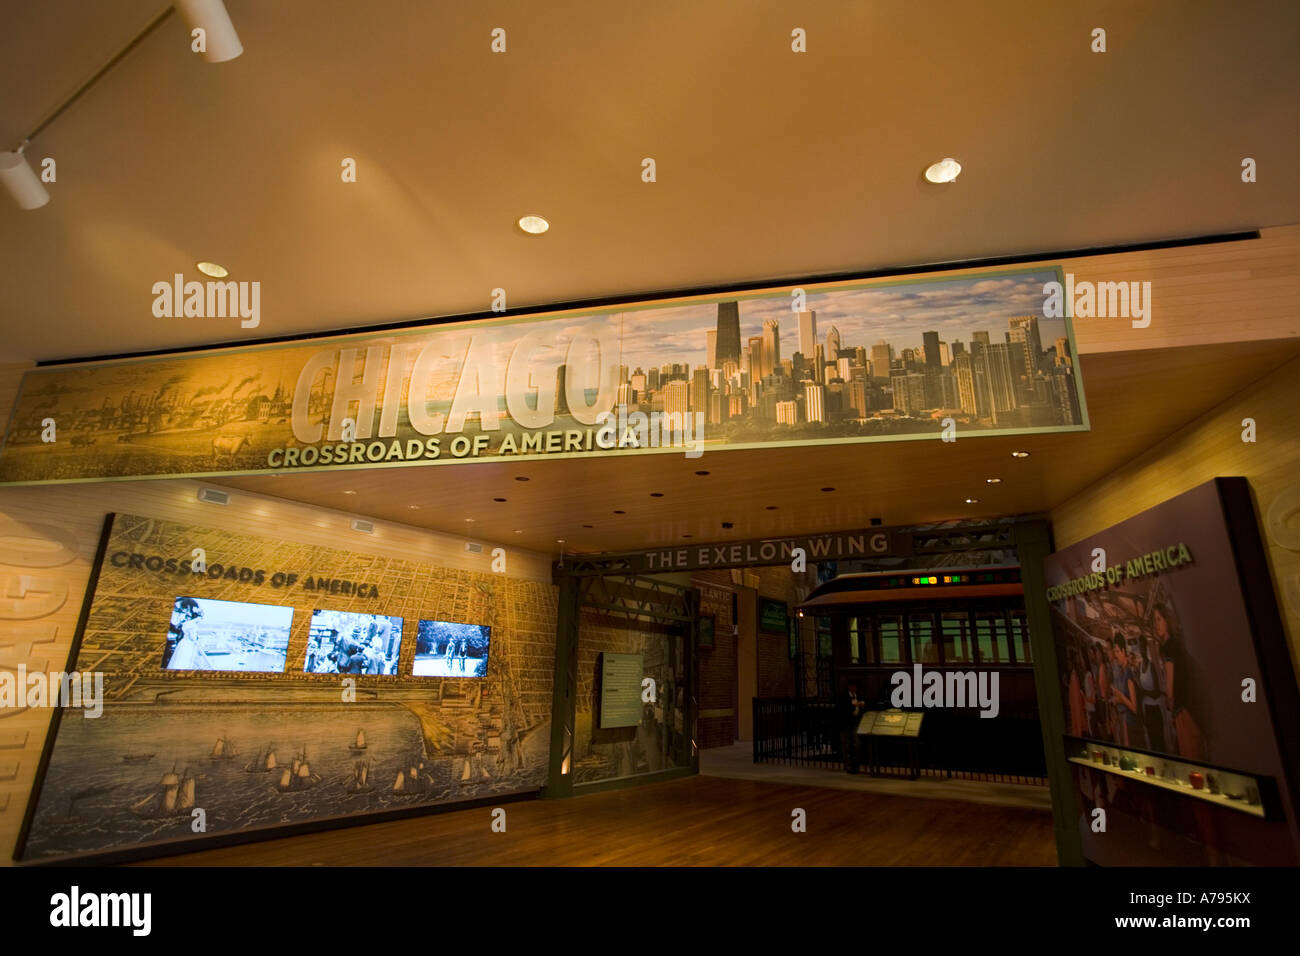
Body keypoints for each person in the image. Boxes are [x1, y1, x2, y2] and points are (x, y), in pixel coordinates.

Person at [168, 599, 213, 670]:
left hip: (182, 643)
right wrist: (197, 639)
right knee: (184, 661)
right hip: (188, 644)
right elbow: (193, 638)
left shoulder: (186, 623)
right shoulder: (192, 625)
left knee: (179, 658)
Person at [840, 682, 866, 773]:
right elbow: (842, 710)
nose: (854, 688)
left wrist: (862, 705)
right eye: (853, 686)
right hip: (846, 723)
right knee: (846, 745)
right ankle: (848, 766)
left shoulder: (858, 695)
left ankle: (856, 765)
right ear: (849, 687)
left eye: (855, 687)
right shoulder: (843, 697)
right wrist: (853, 706)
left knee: (857, 744)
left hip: (856, 722)